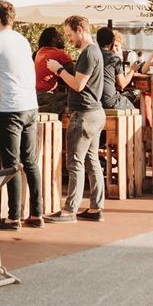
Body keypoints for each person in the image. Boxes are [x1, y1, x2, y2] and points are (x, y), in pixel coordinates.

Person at [0, 0, 43, 230]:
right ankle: (37, 213)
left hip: (11, 107)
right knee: (30, 162)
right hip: (30, 105)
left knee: (12, 163)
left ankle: (14, 216)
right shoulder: (21, 39)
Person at [44, 15, 105, 222]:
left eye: (70, 34)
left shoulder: (89, 53)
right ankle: (96, 208)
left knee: (75, 162)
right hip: (95, 112)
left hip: (84, 114)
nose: (69, 39)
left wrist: (58, 70)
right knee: (91, 160)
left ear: (80, 29)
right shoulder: (94, 51)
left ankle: (70, 210)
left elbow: (78, 85)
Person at [33, 26, 73, 114]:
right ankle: (45, 109)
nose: (63, 39)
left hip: (35, 94)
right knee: (74, 99)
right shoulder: (58, 53)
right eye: (60, 36)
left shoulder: (40, 51)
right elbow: (74, 72)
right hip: (45, 95)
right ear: (54, 39)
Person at [97, 26, 137, 109]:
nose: (114, 49)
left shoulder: (94, 55)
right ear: (110, 43)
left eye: (117, 46)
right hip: (109, 100)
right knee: (134, 108)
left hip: (95, 99)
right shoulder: (114, 59)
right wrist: (132, 70)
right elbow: (122, 84)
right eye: (113, 45)